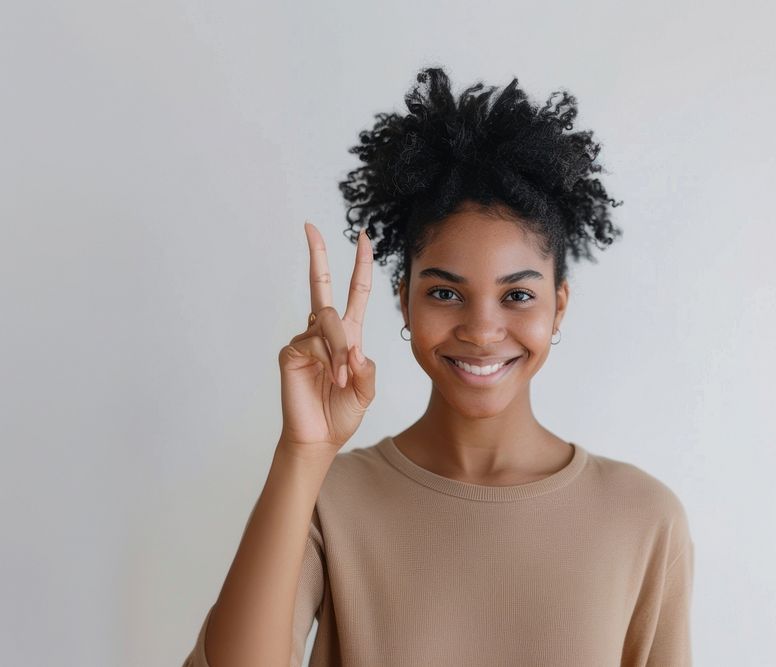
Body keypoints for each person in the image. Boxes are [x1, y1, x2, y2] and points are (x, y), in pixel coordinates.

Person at [183, 66, 694, 667]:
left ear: (559, 305)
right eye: (446, 292)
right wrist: (303, 450)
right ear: (404, 300)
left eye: (518, 295)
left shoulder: (643, 516)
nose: (481, 331)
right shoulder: (332, 498)